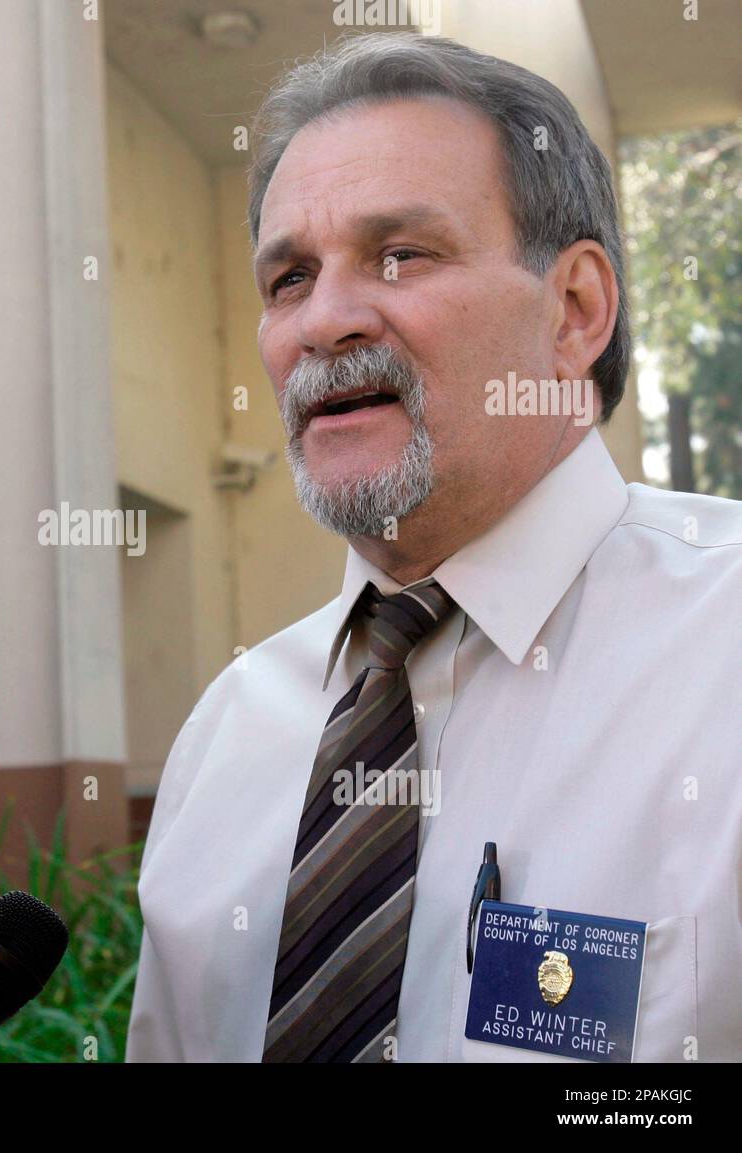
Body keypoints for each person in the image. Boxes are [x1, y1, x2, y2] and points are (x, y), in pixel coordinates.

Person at [125, 33, 741, 1063]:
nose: (323, 322)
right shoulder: (227, 731)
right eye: (287, 278)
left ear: (575, 307)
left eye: (400, 254)